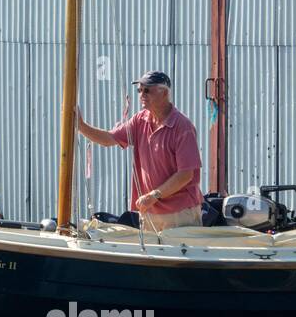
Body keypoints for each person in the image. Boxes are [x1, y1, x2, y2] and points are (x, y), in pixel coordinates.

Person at [77, 70, 204, 234]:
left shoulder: (182, 127)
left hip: (179, 213)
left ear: (164, 92)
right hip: (150, 211)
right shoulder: (140, 120)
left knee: (177, 259)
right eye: (140, 90)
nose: (142, 95)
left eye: (147, 90)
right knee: (151, 259)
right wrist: (81, 126)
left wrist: (153, 196)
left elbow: (186, 174)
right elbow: (109, 139)